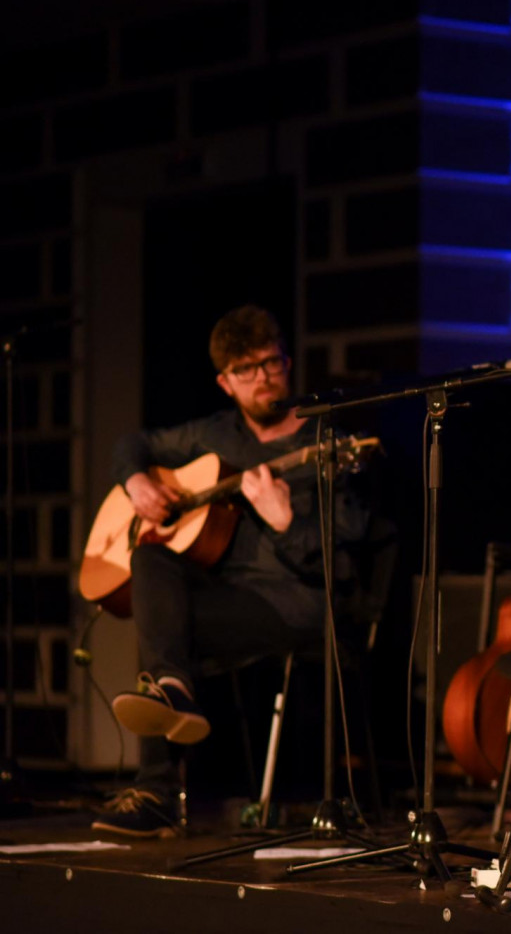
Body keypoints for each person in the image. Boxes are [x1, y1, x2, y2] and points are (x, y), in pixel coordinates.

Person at [91, 305, 371, 838]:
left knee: (162, 628)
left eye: (271, 364)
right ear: (225, 382)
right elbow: (134, 444)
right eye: (246, 371)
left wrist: (286, 522)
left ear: (288, 362)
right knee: (150, 559)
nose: (263, 379)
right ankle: (172, 691)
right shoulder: (215, 434)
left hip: (298, 602)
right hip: (228, 594)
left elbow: (343, 562)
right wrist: (136, 482)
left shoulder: (326, 442)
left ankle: (155, 790)